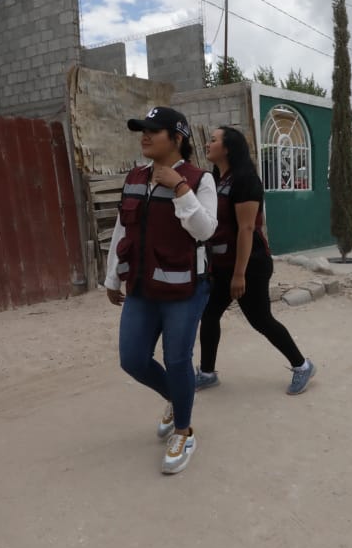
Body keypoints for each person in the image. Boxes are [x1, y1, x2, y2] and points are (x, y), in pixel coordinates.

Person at [105, 106, 217, 475]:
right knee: (132, 359)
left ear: (178, 138)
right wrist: (111, 277)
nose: (145, 136)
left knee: (178, 358)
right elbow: (123, 229)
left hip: (185, 288)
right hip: (141, 285)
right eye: (142, 130)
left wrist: (180, 188)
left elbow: (205, 231)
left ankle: (184, 431)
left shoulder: (200, 180)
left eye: (154, 130)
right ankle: (176, 394)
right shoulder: (135, 177)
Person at [196, 126, 316, 395]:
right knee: (209, 314)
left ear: (227, 148)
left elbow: (247, 229)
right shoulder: (217, 179)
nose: (207, 144)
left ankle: (302, 365)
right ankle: (206, 372)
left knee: (261, 319)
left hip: (250, 265)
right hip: (223, 263)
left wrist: (239, 274)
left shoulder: (245, 179)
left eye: (213, 140)